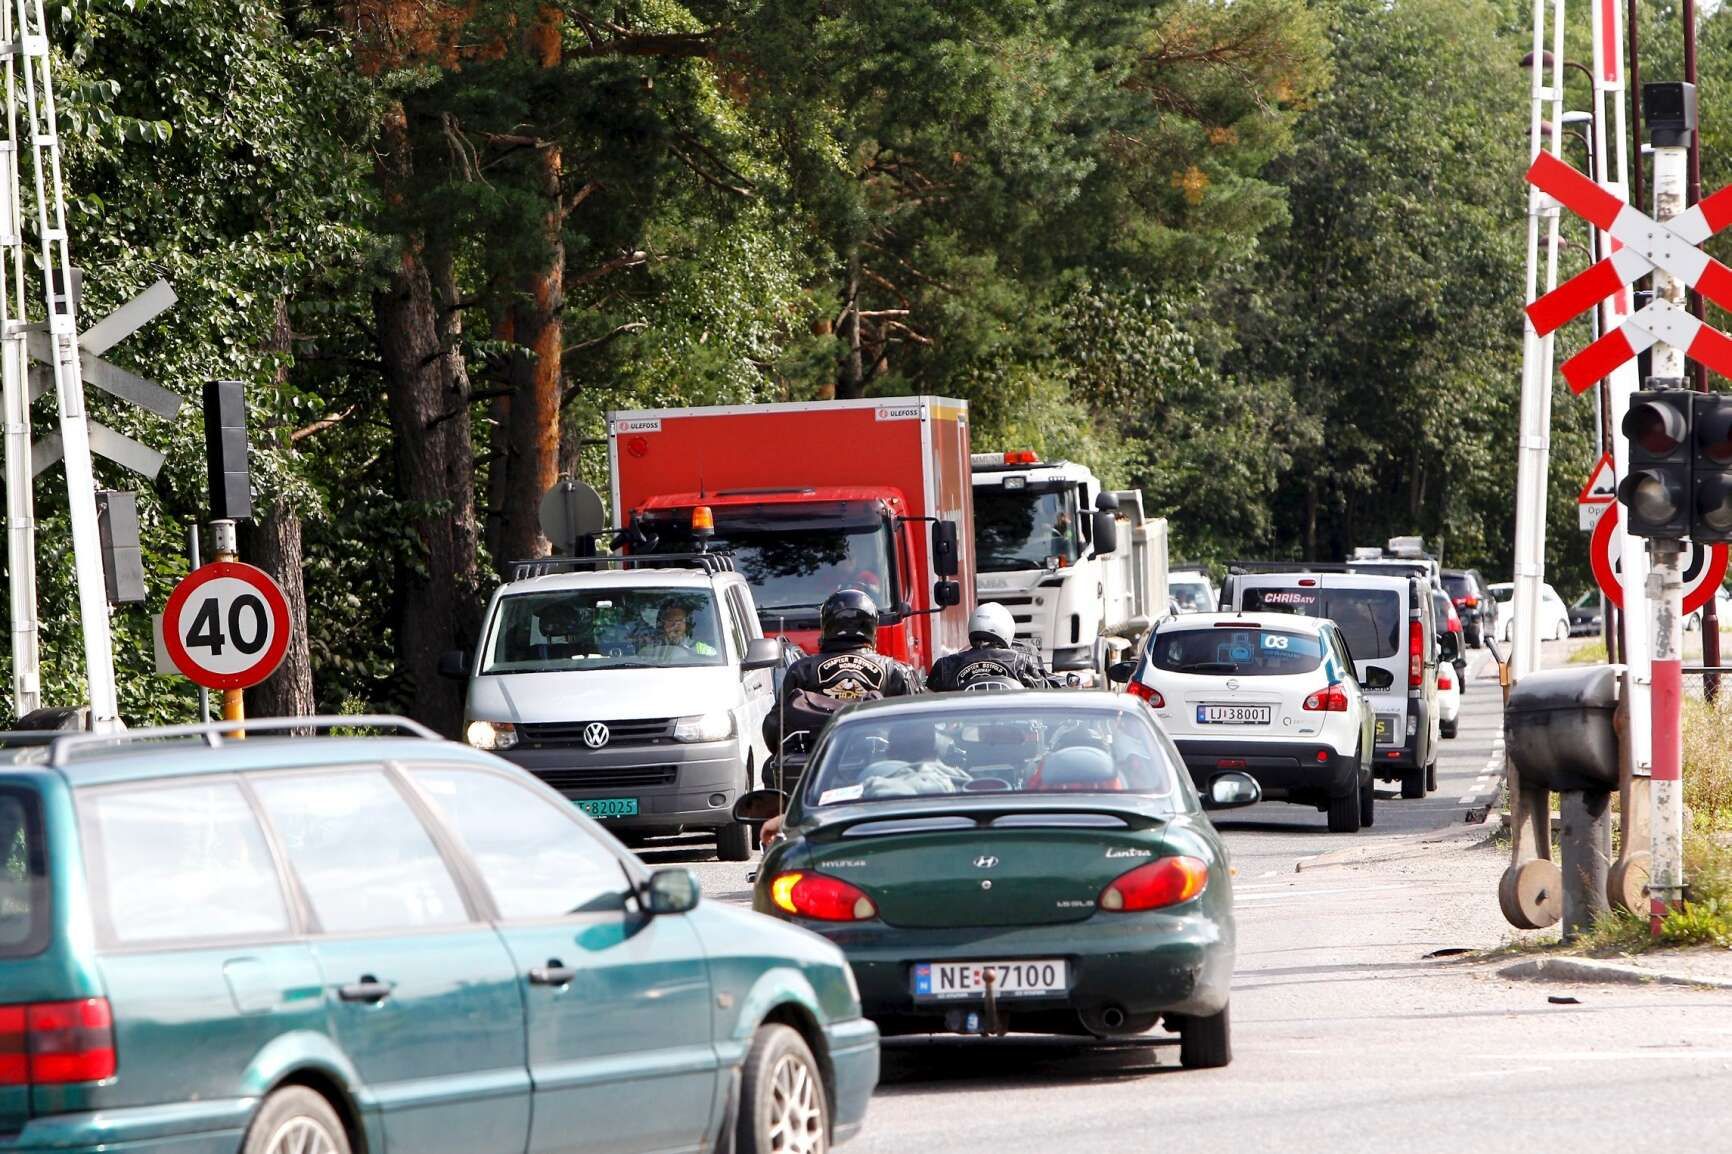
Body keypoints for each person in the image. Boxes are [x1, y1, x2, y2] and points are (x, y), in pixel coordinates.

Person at [759, 588, 921, 846]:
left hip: (817, 776)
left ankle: (779, 847)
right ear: (871, 626)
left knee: (774, 771)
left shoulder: (802, 670)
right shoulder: (896, 671)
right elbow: (920, 732)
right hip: (882, 773)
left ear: (827, 625)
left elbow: (773, 730)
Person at [926, 602, 1052, 692]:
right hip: (1011, 727)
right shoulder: (1020, 663)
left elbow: (926, 703)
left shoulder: (945, 666)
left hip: (962, 728)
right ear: (1007, 629)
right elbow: (1044, 694)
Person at [638, 600, 717, 658]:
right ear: (662, 623)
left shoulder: (702, 649)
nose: (675, 625)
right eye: (670, 620)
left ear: (686, 624)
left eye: (679, 621)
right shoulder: (650, 650)